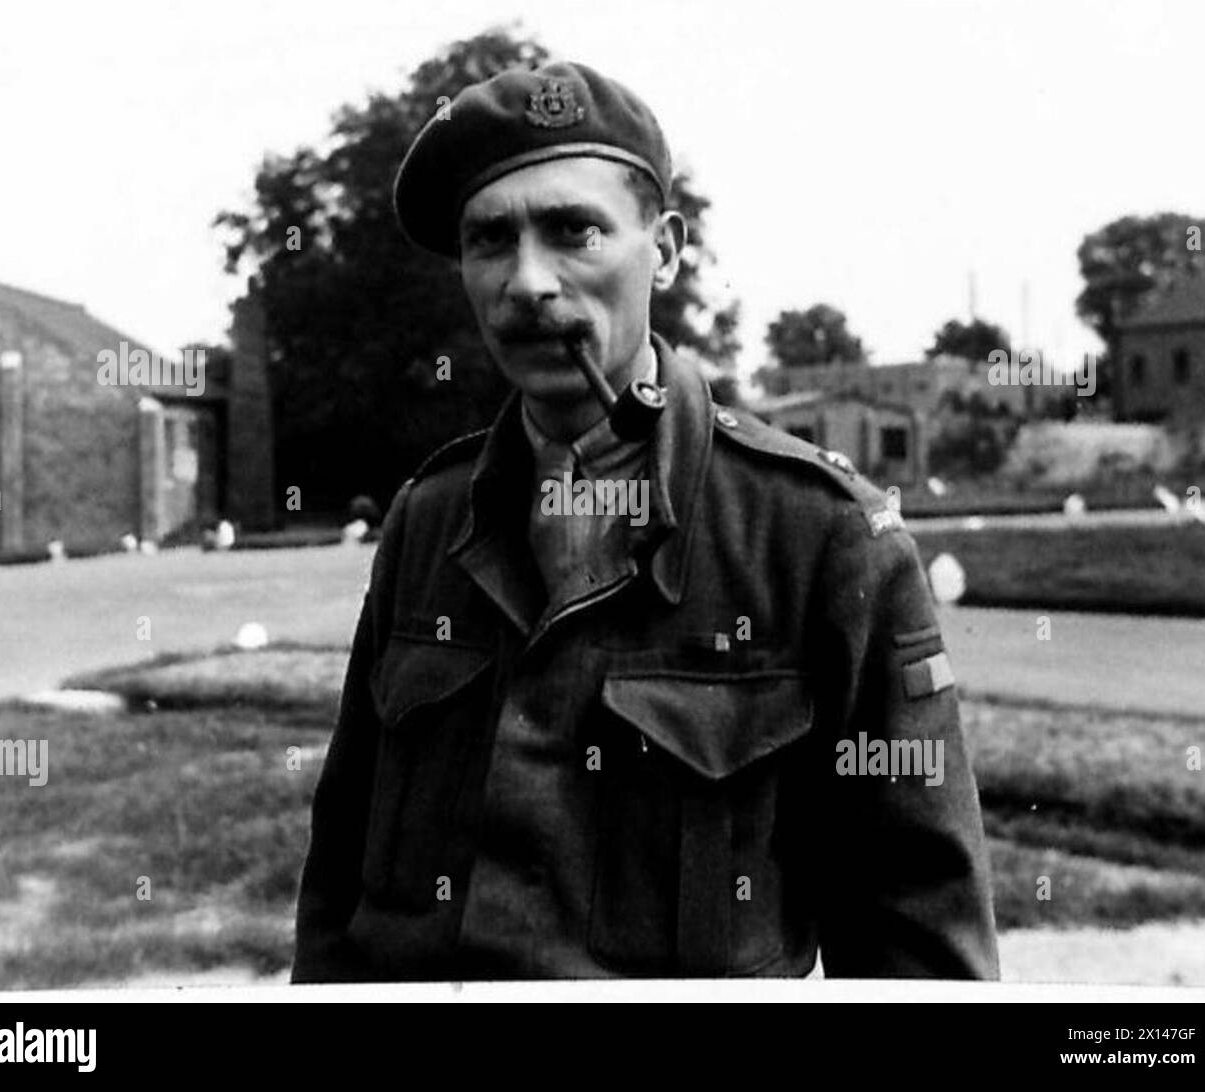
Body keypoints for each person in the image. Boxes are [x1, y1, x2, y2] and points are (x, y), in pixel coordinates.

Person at [292, 60, 999, 981]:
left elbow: (920, 950)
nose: (529, 282)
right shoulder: (429, 524)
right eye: (490, 241)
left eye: (573, 230)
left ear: (663, 249)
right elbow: (340, 891)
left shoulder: (819, 539)